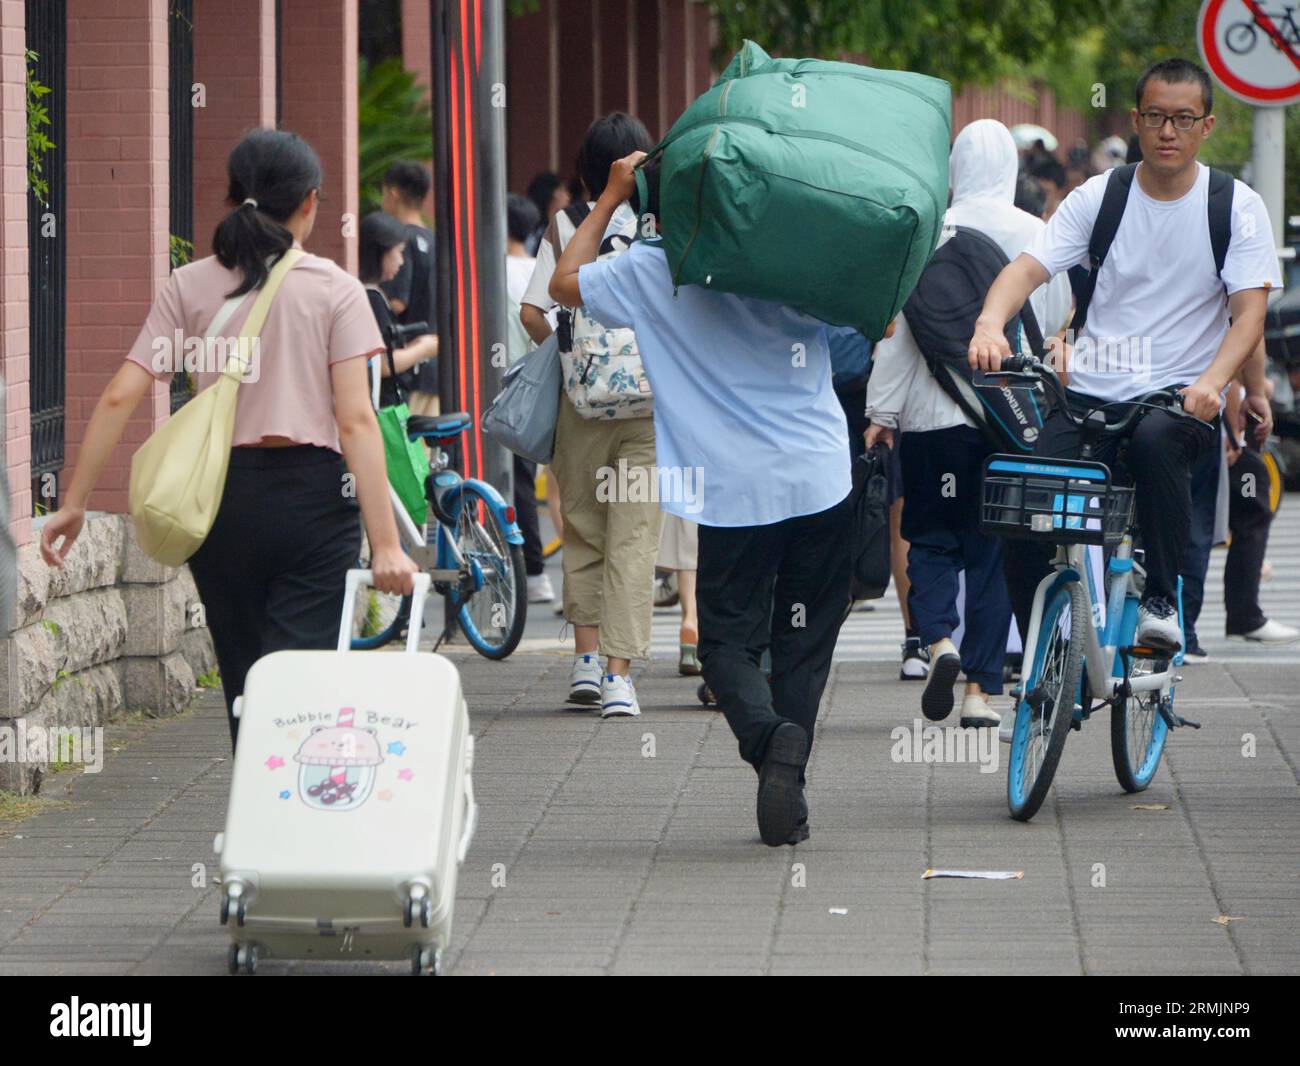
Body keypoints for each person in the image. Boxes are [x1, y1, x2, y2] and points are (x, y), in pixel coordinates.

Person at [38, 129, 418, 747]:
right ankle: (290, 824)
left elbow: (119, 395)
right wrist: (386, 546)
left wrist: (74, 501)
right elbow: (355, 421)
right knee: (301, 688)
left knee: (246, 687)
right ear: (309, 202)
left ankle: (256, 821)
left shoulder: (187, 286)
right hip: (314, 508)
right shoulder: (335, 290)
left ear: (236, 195)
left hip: (221, 504)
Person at [551, 152, 853, 847]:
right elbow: (885, 321)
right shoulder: (794, 251)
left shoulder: (651, 267)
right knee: (803, 644)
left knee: (725, 644)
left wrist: (610, 198)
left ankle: (770, 740)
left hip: (733, 491)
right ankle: (789, 782)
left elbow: (563, 284)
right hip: (819, 476)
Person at [970, 59, 1281, 657]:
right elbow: (1027, 270)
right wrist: (989, 323)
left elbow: (1248, 314)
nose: (1169, 131)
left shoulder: (1235, 206)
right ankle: (1046, 650)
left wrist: (1220, 384)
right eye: (1157, 117)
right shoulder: (1101, 195)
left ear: (1206, 125)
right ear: (1137, 120)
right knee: (1026, 491)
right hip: (1091, 391)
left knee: (1155, 443)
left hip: (1180, 395)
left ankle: (1162, 600)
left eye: (1184, 119)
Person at [867, 119, 1072, 728]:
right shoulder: (1037, 234)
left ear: (953, 169)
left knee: (928, 539)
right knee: (991, 555)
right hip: (1007, 423)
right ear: (1011, 169)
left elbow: (901, 338)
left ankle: (937, 642)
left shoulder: (929, 238)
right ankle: (981, 693)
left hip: (932, 423)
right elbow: (1052, 319)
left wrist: (881, 414)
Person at [523, 113, 662, 719]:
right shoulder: (664, 227)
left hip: (580, 405)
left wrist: (570, 348)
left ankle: (583, 660)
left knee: (582, 528)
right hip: (648, 407)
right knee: (634, 537)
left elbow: (533, 311)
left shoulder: (563, 224)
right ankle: (619, 678)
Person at [504, 192, 555, 604]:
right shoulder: (539, 269)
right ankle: (536, 572)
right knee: (526, 479)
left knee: (509, 480)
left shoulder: (491, 270)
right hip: (538, 386)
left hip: (500, 388)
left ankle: (519, 568)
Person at [359, 211, 438, 405]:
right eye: (399, 252)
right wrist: (423, 349)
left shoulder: (367, 294)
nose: (402, 261)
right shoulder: (373, 298)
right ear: (382, 252)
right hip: (384, 406)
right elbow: (384, 364)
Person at [380, 161, 439, 416]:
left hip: (408, 368)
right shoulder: (436, 239)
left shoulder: (399, 240)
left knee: (409, 452)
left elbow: (397, 302)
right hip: (437, 369)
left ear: (393, 193)